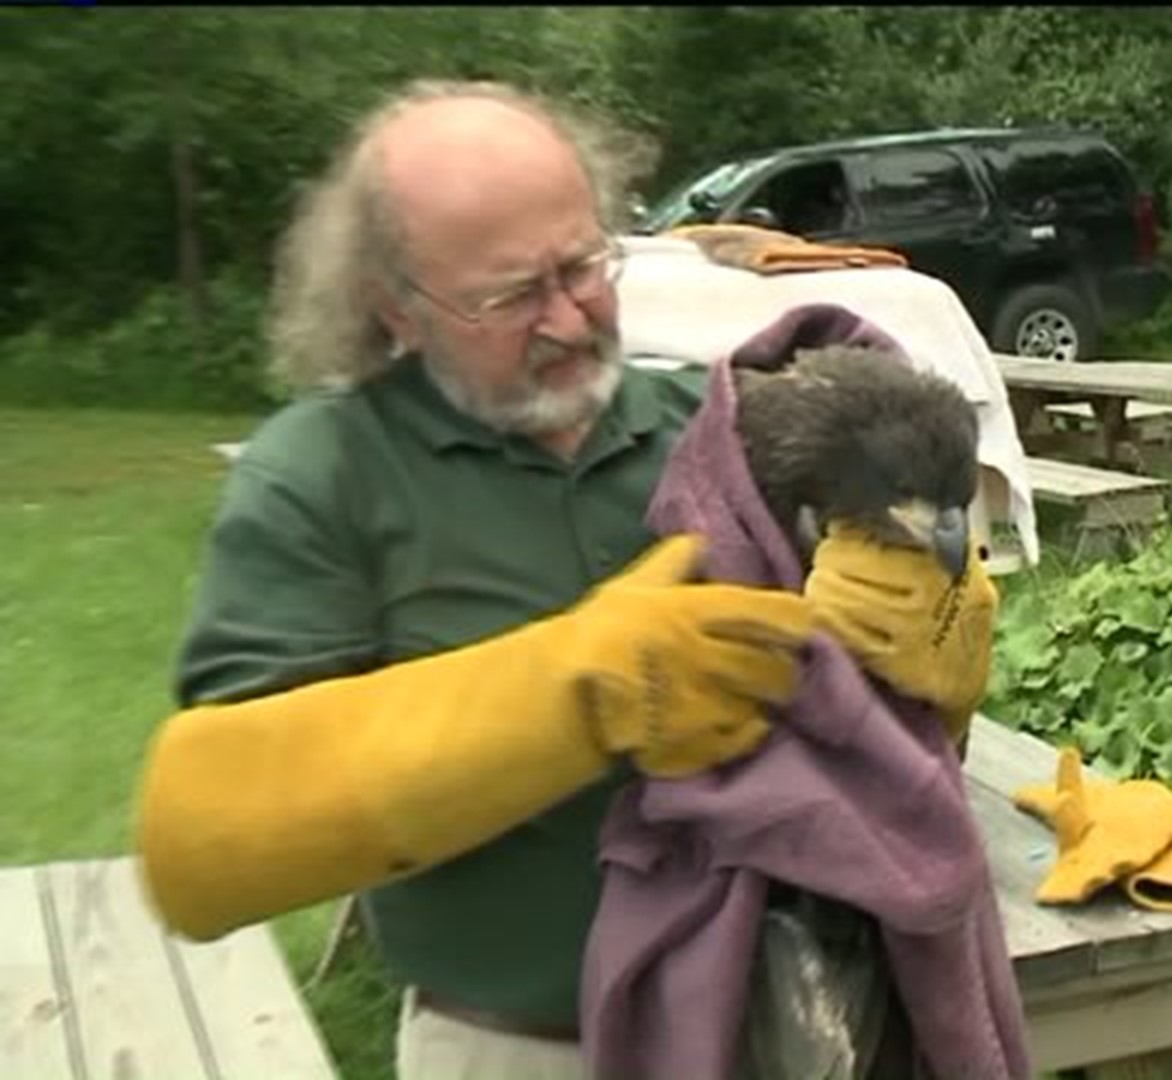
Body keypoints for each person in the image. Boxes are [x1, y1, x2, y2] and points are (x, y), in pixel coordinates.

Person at [131, 79, 999, 1080]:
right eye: (510, 295)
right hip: (510, 1051)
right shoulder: (322, 473)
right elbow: (206, 846)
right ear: (395, 310)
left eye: (583, 265)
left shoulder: (726, 427)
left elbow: (869, 750)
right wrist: (575, 691)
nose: (567, 316)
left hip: (773, 1031)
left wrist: (940, 668)